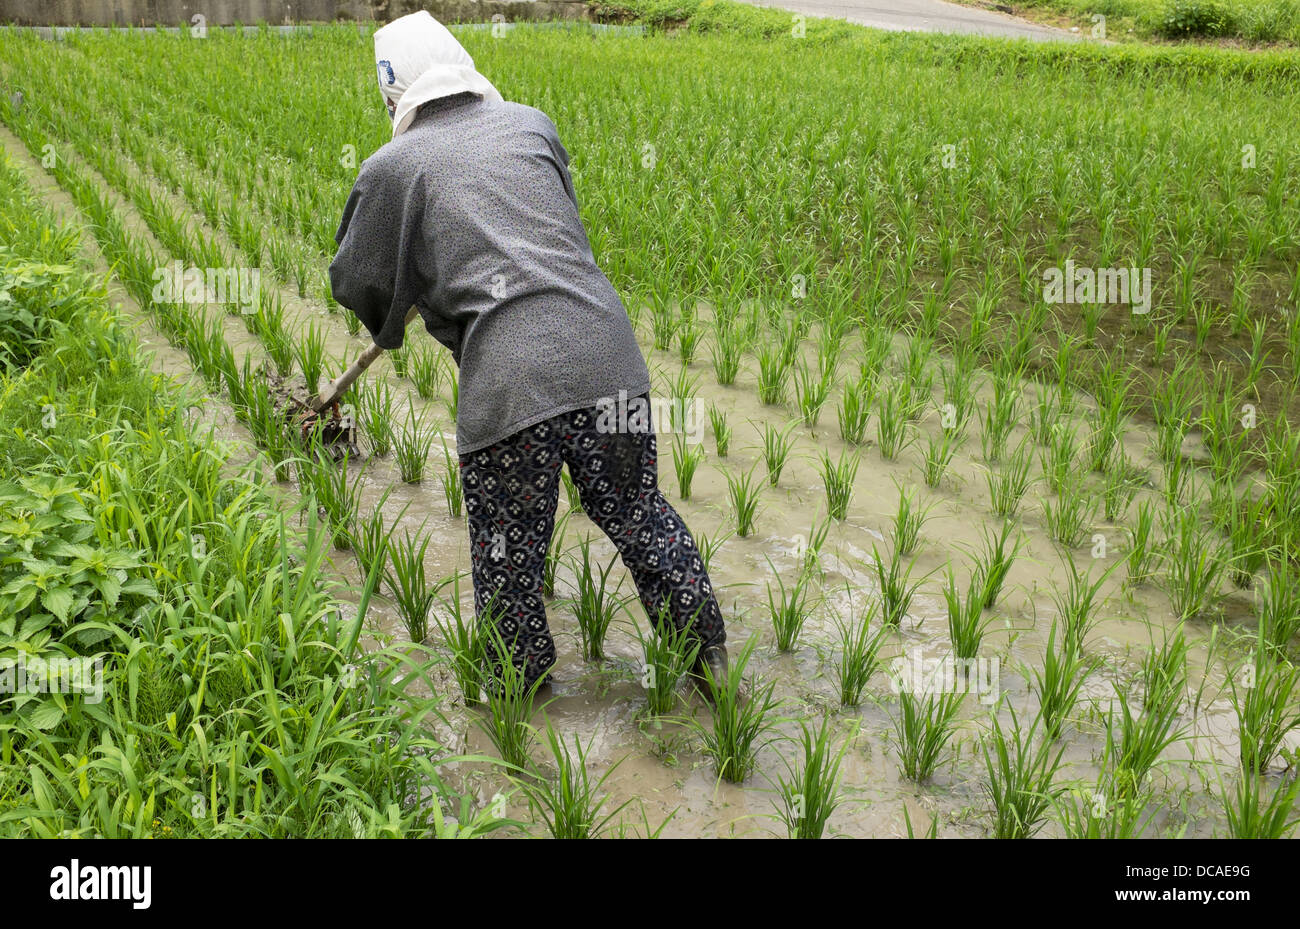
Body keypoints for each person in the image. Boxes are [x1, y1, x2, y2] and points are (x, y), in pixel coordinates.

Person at [328, 11, 728, 697]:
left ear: (393, 97)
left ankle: (522, 709)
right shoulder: (530, 122)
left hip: (510, 384)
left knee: (507, 554)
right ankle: (712, 665)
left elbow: (355, 278)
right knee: (638, 511)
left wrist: (408, 297)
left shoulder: (392, 165)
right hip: (608, 355)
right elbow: (557, 226)